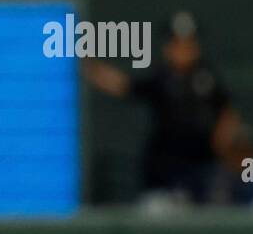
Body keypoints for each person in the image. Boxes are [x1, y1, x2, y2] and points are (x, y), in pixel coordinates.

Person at [84, 11, 243, 204]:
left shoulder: (207, 77)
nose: (183, 49)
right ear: (169, 47)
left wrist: (226, 143)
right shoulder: (161, 79)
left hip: (202, 171)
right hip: (166, 174)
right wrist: (88, 66)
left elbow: (227, 114)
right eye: (177, 43)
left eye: (189, 43)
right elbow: (124, 86)